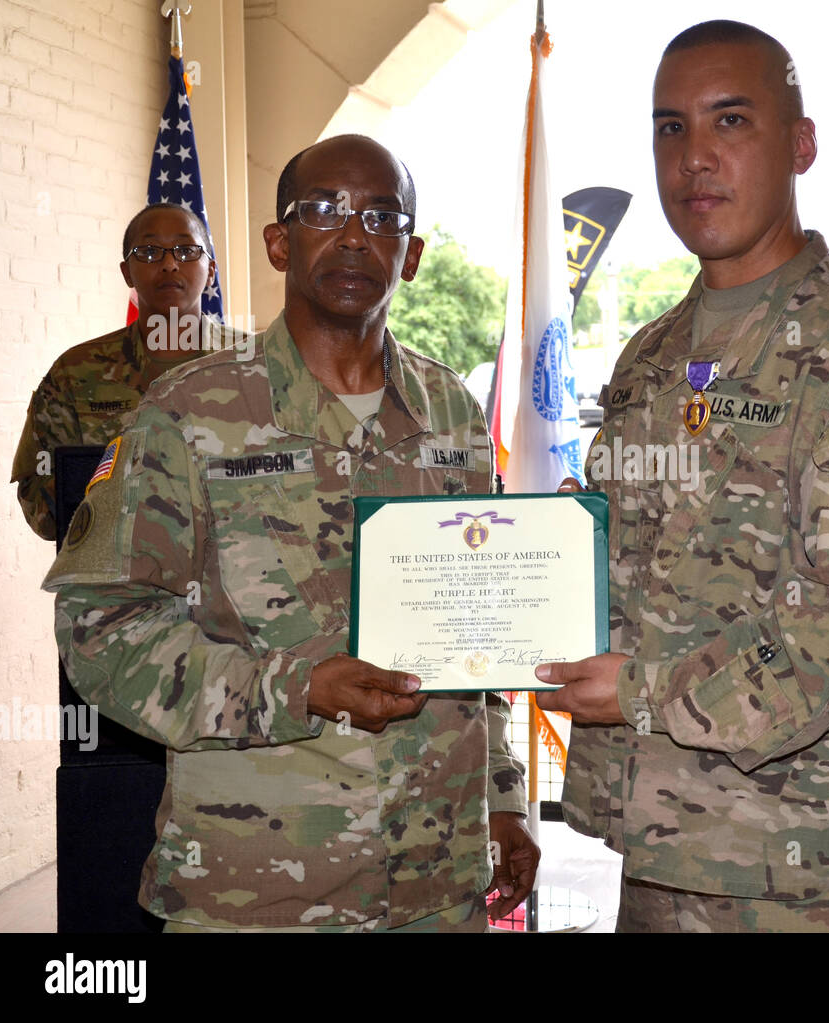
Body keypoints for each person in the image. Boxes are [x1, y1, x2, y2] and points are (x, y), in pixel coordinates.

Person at [535, 20, 829, 932]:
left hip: (817, 878)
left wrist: (649, 690)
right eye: (670, 129)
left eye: (729, 121)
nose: (695, 158)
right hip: (662, 854)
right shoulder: (652, 355)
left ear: (800, 144)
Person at [44, 134, 537, 932]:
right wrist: (294, 687)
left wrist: (503, 795)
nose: (352, 235)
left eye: (381, 217)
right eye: (323, 211)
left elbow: (477, 630)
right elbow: (101, 634)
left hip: (436, 888)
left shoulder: (452, 414)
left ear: (409, 255)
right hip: (258, 894)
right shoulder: (188, 414)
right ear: (280, 242)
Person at [11, 202, 244, 540]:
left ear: (210, 270)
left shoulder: (253, 361)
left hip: (233, 580)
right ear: (127, 272)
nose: (168, 264)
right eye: (149, 252)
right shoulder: (76, 372)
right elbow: (39, 503)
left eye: (187, 250)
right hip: (112, 585)